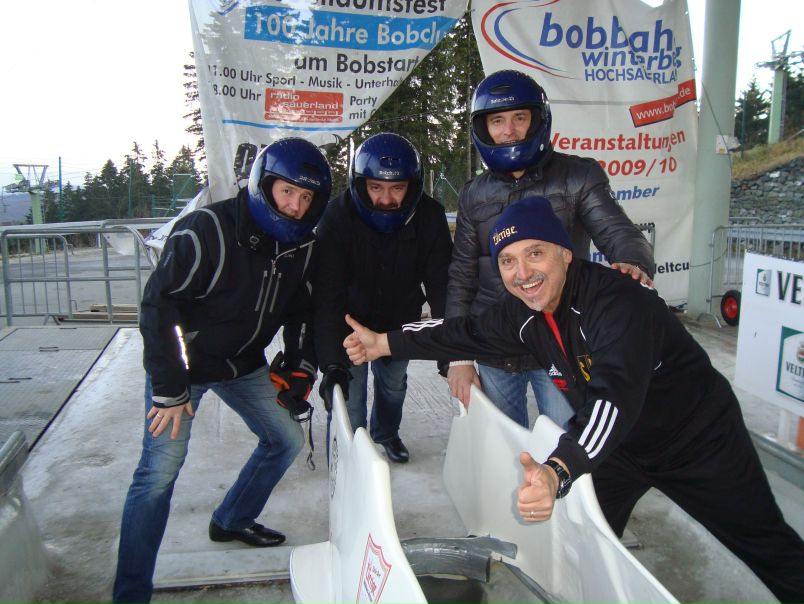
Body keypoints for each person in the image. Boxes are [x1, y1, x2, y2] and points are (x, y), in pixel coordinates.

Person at [343, 196, 804, 604]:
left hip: (698, 440)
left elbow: (612, 401)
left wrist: (557, 470)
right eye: (508, 261)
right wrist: (385, 342)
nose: (523, 274)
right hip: (622, 451)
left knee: (766, 544)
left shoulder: (619, 305)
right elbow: (460, 331)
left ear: (566, 253)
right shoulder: (524, 312)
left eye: (535, 253)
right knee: (587, 543)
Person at [113, 138, 332, 604]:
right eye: (287, 192)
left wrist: (299, 365)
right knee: (157, 474)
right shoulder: (203, 231)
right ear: (263, 186)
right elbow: (158, 308)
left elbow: (302, 310)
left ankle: (232, 519)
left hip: (243, 365)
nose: (295, 207)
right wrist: (170, 389)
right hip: (184, 370)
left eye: (306, 197)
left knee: (286, 440)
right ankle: (130, 593)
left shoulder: (303, 245)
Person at [447, 69, 656, 430]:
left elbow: (618, 231)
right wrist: (458, 357)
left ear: (538, 120)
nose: (509, 130)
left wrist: (632, 262)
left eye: (519, 118)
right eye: (497, 121)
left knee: (567, 440)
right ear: (484, 128)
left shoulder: (579, 176)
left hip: (562, 343)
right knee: (502, 445)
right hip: (496, 344)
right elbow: (462, 275)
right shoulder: (473, 194)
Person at [314, 132, 452, 463]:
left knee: (393, 386)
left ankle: (386, 433)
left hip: (399, 322)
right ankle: (350, 454)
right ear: (361, 184)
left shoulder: (430, 216)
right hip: (350, 324)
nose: (386, 198)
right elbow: (326, 293)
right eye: (376, 187)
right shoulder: (336, 216)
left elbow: (441, 286)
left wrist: (451, 349)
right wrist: (331, 362)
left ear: (412, 186)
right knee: (350, 394)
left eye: (397, 188)